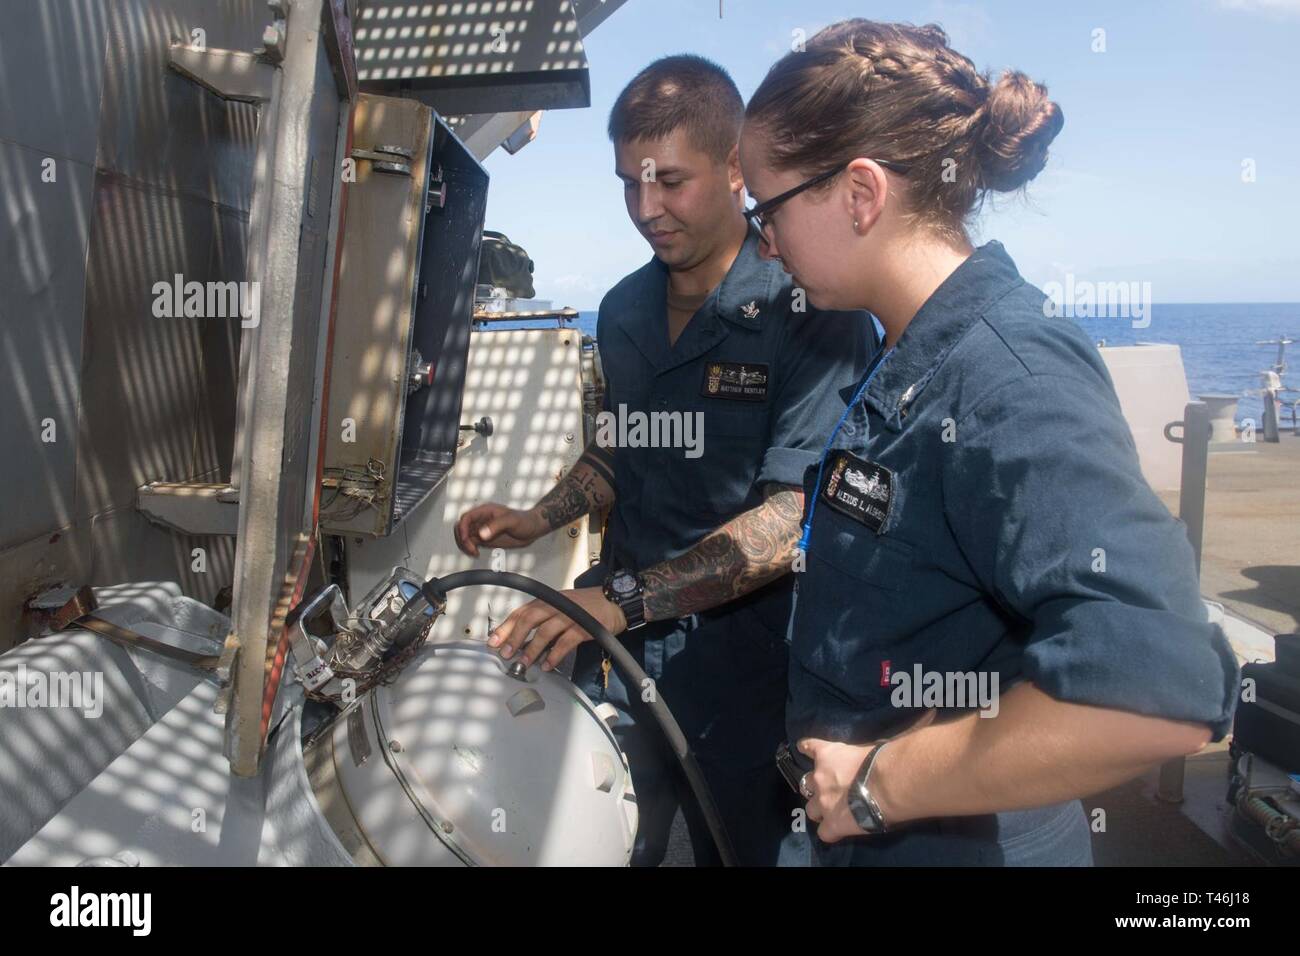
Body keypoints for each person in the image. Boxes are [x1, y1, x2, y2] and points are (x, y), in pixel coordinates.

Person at [734, 19, 1239, 866]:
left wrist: (879, 784)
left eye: (769, 207)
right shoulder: (911, 347)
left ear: (860, 193)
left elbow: (1158, 687)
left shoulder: (1009, 373)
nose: (765, 241)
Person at [453, 55, 875, 866]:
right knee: (605, 836)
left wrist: (620, 602)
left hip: (747, 670)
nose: (646, 209)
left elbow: (794, 519)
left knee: (741, 846)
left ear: (734, 171)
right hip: (618, 650)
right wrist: (537, 517)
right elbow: (622, 445)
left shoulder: (812, 310)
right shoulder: (623, 308)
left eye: (671, 182)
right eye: (629, 184)